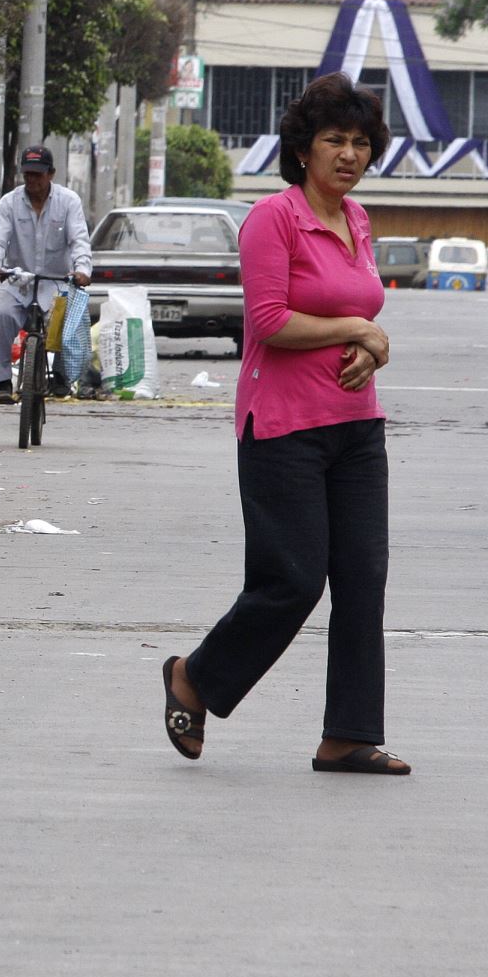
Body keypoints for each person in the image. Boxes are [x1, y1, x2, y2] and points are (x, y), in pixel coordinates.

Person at [162, 72, 407, 775]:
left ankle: (349, 734)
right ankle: (195, 676)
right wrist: (360, 328)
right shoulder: (273, 218)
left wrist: (367, 341)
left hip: (356, 429)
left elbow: (356, 310)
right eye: (335, 139)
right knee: (292, 579)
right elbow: (269, 321)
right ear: (303, 148)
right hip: (282, 425)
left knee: (362, 579)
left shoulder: (355, 220)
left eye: (361, 142)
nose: (349, 154)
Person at [0, 146, 91, 404]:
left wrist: (82, 270)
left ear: (50, 174)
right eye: (28, 174)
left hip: (56, 285)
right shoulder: (9, 202)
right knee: (1, 316)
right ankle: (1, 381)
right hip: (17, 282)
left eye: (38, 175)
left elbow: (79, 241)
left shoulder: (69, 201)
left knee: (70, 322)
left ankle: (62, 376)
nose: (32, 180)